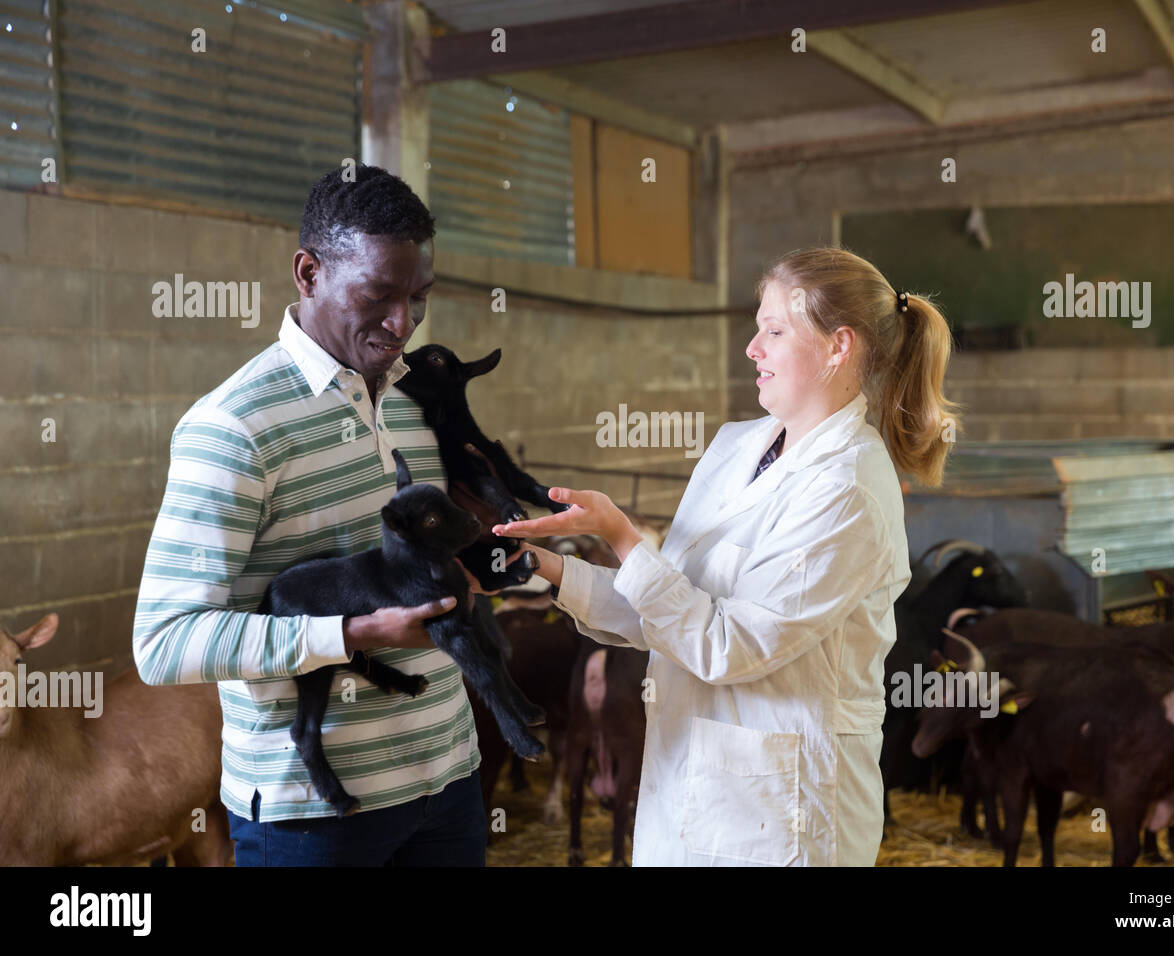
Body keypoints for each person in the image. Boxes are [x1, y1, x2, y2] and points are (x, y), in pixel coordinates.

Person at [495, 247, 958, 866]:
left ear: (838, 346)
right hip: (687, 788)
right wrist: (540, 566)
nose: (752, 349)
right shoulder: (734, 447)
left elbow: (729, 643)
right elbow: (669, 614)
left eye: (773, 331)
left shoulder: (847, 489)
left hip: (784, 814)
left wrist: (625, 537)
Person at [132, 164, 498, 866]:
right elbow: (164, 643)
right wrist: (354, 633)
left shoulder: (414, 403)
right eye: (378, 295)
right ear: (307, 273)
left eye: (418, 298)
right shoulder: (233, 426)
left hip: (449, 777)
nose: (401, 323)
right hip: (312, 815)